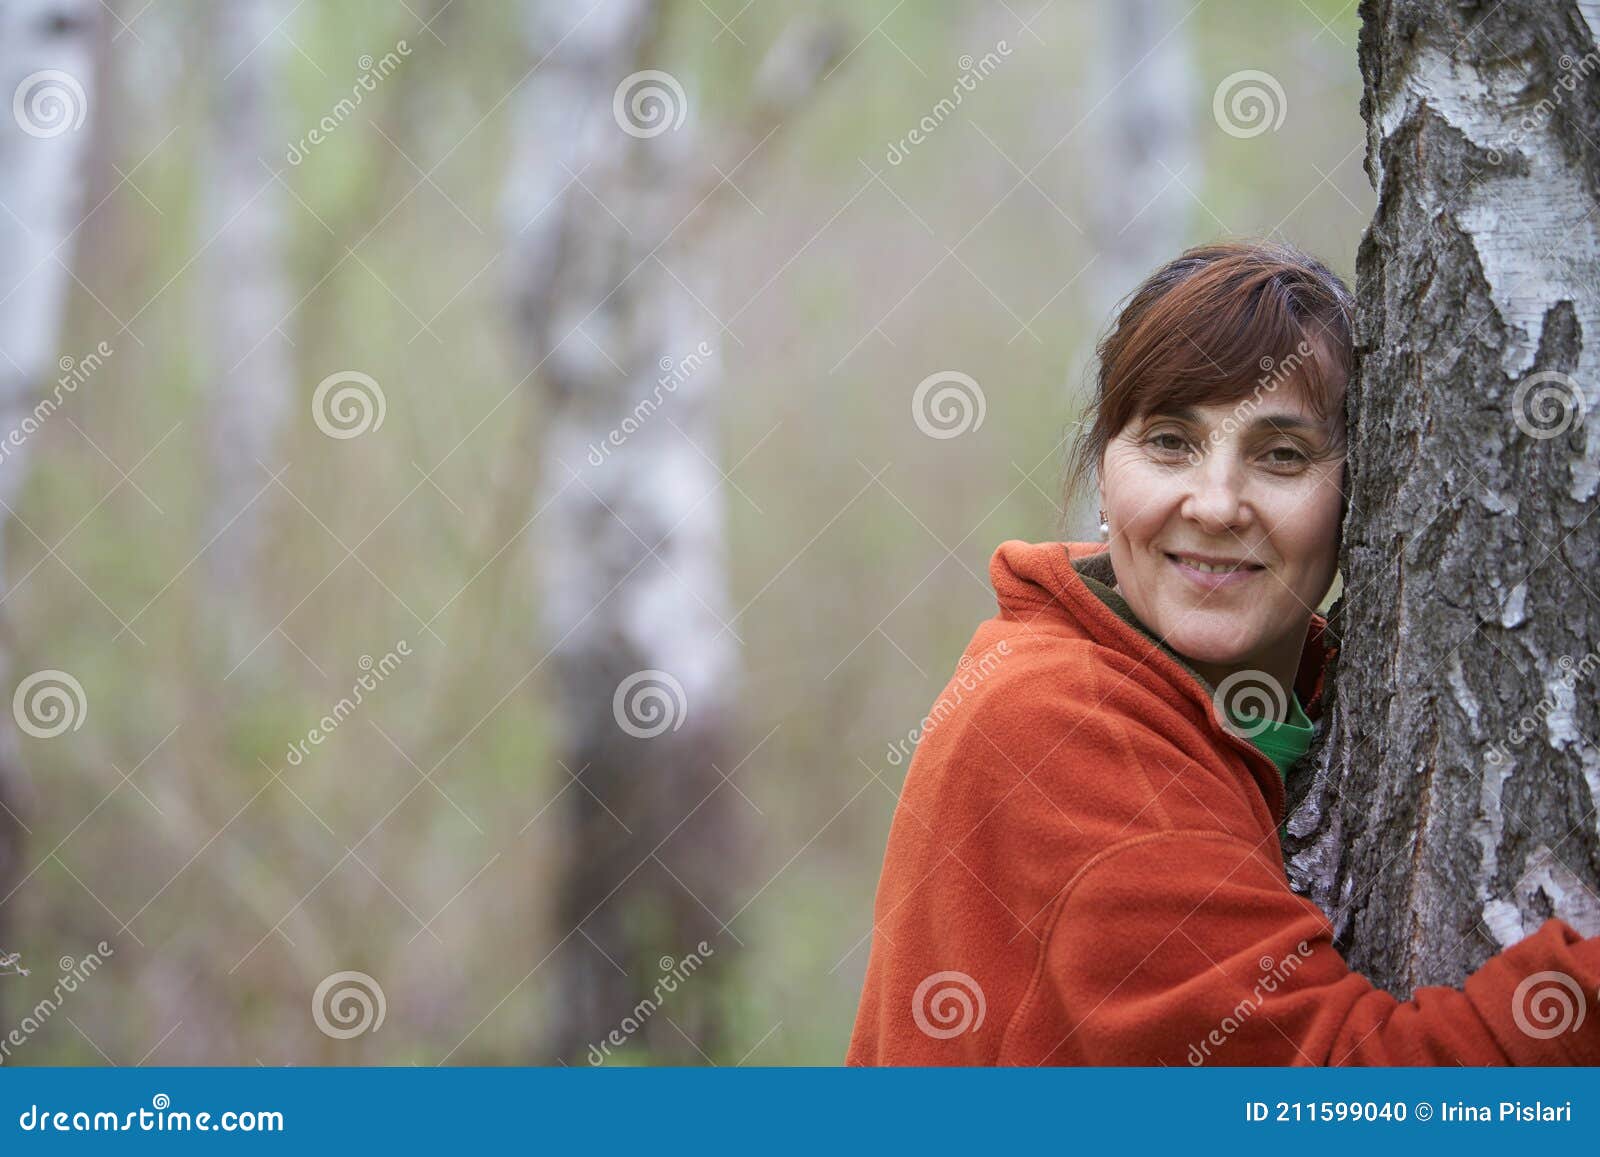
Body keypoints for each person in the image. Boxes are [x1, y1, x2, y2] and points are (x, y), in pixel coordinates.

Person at [845, 239, 1600, 1065]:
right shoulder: (1059, 724)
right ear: (1106, 472)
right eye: (1170, 441)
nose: (1214, 504)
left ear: (1367, 496)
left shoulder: (1299, 702)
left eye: (1281, 455)